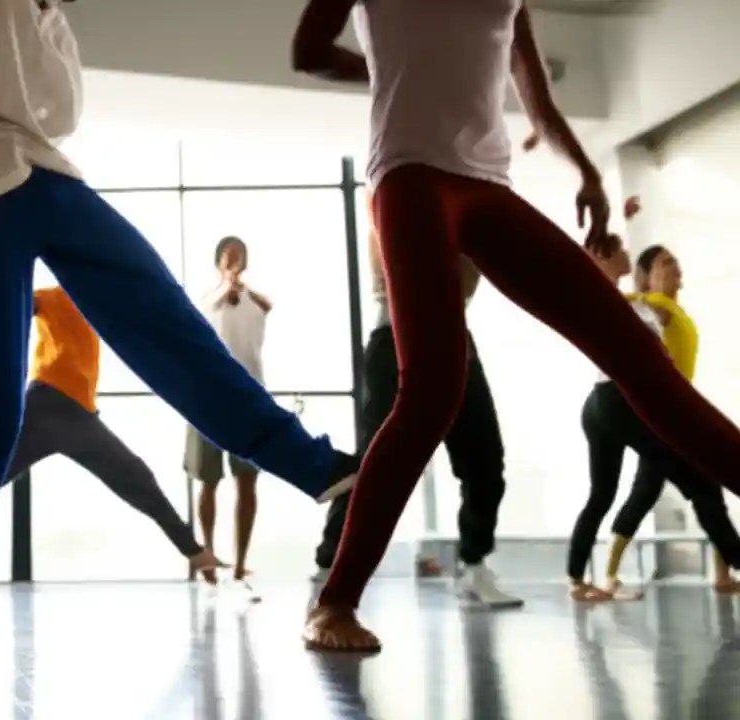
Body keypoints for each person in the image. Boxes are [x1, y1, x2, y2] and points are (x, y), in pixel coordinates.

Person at [0, 0, 357, 684]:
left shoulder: (47, 18)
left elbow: (54, 114)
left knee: (173, 330)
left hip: (43, 174)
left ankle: (316, 467)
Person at [294, 0, 740, 653]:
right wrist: (385, 72)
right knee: (432, 393)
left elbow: (536, 101)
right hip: (408, 172)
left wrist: (586, 171)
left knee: (639, 357)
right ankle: (335, 603)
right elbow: (309, 50)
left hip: (486, 185)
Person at [313, 205, 522, 608]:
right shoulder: (393, 198)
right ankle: (328, 567)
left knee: (485, 460)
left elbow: (465, 280)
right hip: (395, 339)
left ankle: (474, 566)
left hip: (455, 342)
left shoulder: (464, 211)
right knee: (376, 462)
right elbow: (397, 269)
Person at [1, 285, 223, 572]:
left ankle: (193, 551)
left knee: (134, 475)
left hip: (79, 414)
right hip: (47, 404)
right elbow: (19, 303)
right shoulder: (54, 295)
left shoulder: (94, 299)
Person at [568, 234, 740, 602]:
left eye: (674, 262)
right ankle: (730, 564)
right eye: (665, 263)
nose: (674, 267)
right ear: (645, 277)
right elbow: (625, 299)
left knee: (609, 493)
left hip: (620, 402)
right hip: (627, 402)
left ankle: (577, 579)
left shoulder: (656, 308)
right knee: (701, 483)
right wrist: (610, 273)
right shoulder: (648, 302)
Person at [186, 236, 270, 590]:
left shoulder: (257, 301)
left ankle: (240, 562)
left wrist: (241, 288)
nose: (233, 262)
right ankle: (207, 552)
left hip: (248, 399)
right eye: (227, 257)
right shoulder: (208, 299)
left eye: (239, 257)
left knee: (247, 481)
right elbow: (215, 305)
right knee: (208, 480)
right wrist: (229, 285)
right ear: (218, 263)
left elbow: (264, 305)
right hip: (207, 397)